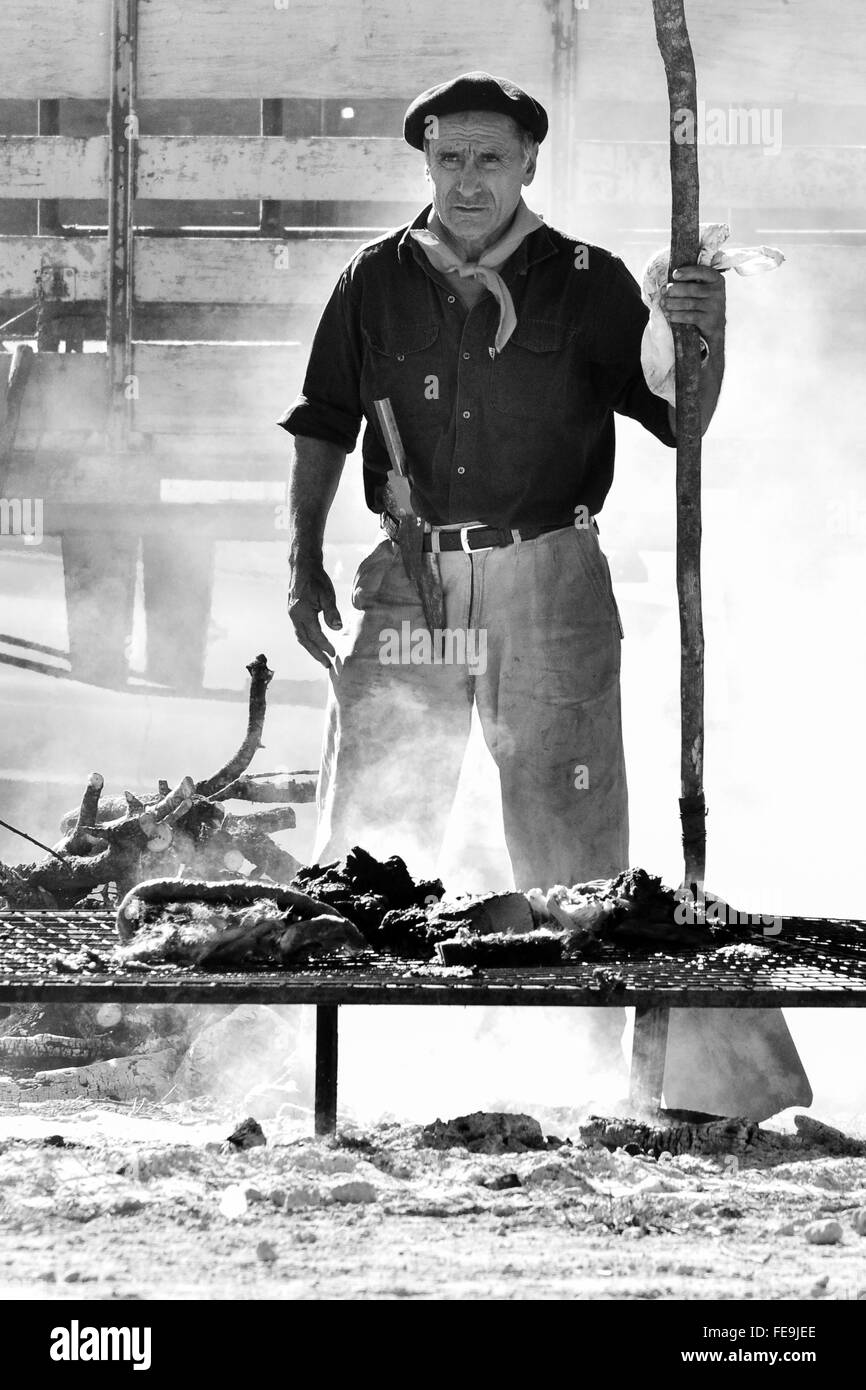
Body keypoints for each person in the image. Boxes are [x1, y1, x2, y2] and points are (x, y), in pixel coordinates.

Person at [280, 70, 725, 888]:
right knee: (368, 846)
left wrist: (703, 326)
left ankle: (581, 1010)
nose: (468, 178)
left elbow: (679, 420)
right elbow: (323, 422)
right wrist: (302, 560)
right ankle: (366, 1011)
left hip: (550, 582)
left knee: (574, 855)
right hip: (413, 582)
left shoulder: (592, 282)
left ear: (528, 163)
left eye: (490, 157)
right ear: (426, 163)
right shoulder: (373, 280)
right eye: (450, 157)